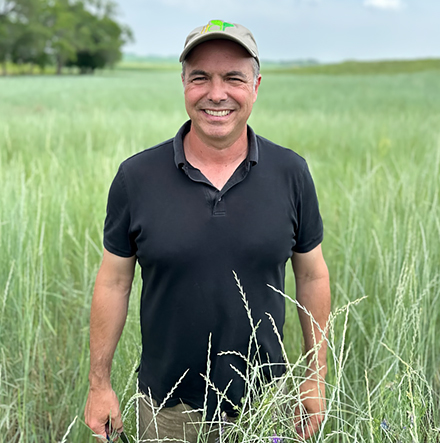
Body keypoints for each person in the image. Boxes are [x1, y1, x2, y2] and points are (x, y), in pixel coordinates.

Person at [85, 19, 331, 442]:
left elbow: (312, 275)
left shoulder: (291, 173)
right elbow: (113, 282)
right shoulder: (137, 177)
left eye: (233, 78)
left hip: (264, 406)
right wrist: (99, 385)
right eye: (201, 77)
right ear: (183, 83)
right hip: (165, 410)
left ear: (255, 85)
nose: (216, 94)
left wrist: (315, 378)